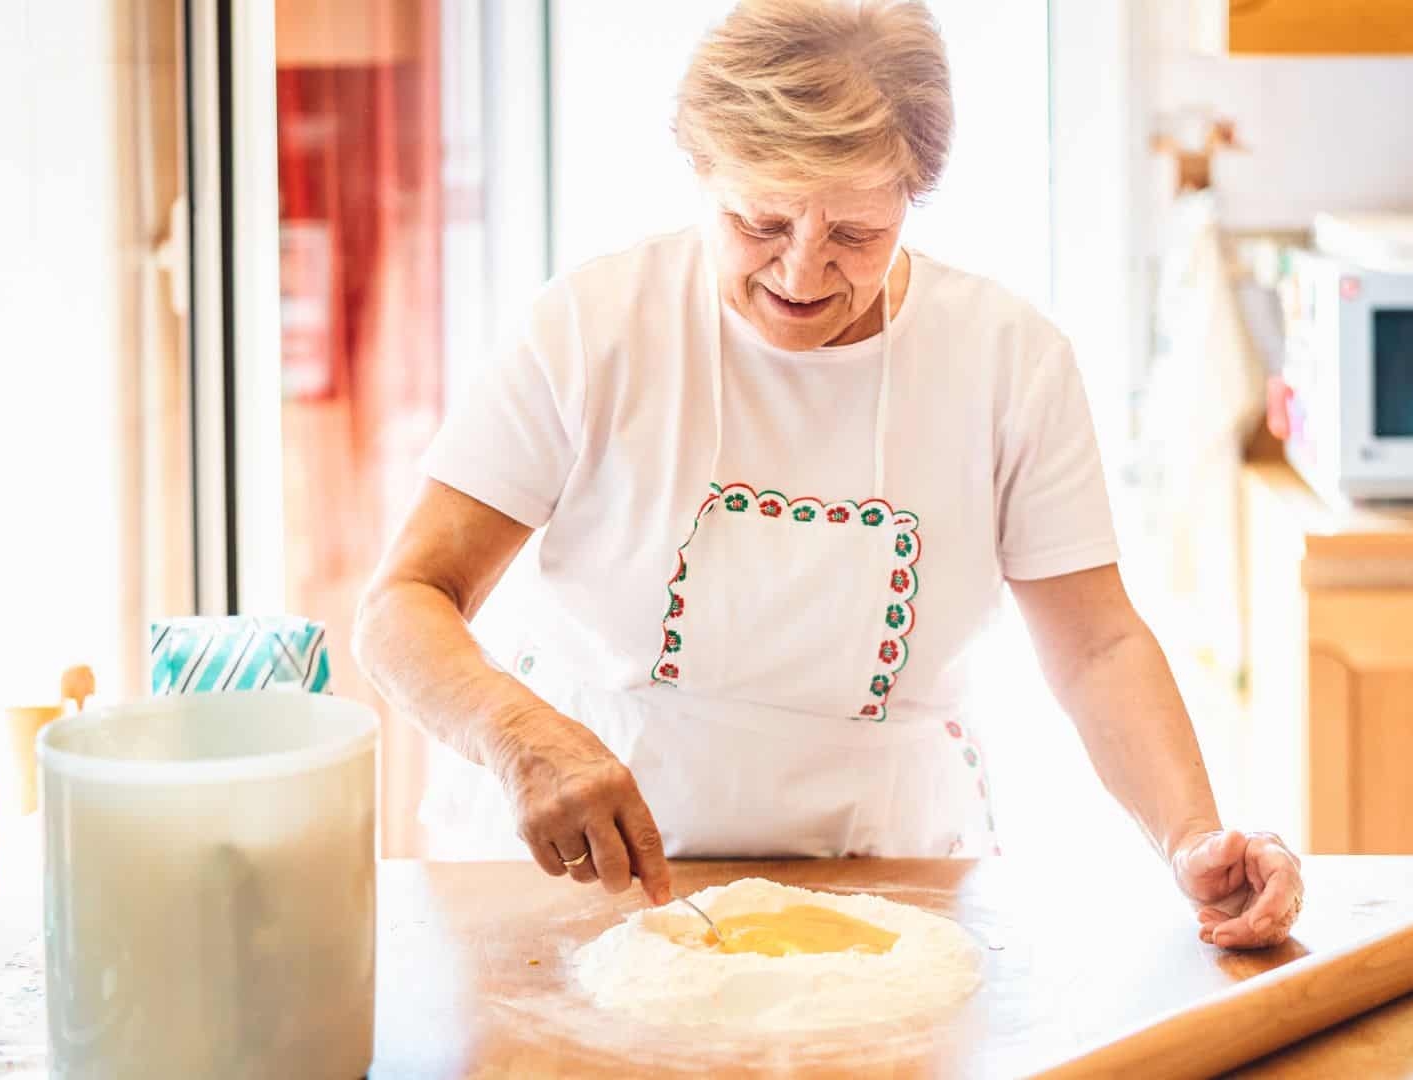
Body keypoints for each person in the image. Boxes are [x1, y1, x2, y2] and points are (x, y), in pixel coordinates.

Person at [355, 0, 1303, 950]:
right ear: (701, 176)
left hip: (887, 891)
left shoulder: (1007, 362)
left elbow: (1096, 647)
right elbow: (403, 603)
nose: (804, 273)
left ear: (913, 195)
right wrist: (520, 739)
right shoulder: (592, 330)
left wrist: (1190, 838)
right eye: (759, 221)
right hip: (587, 885)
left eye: (853, 232)